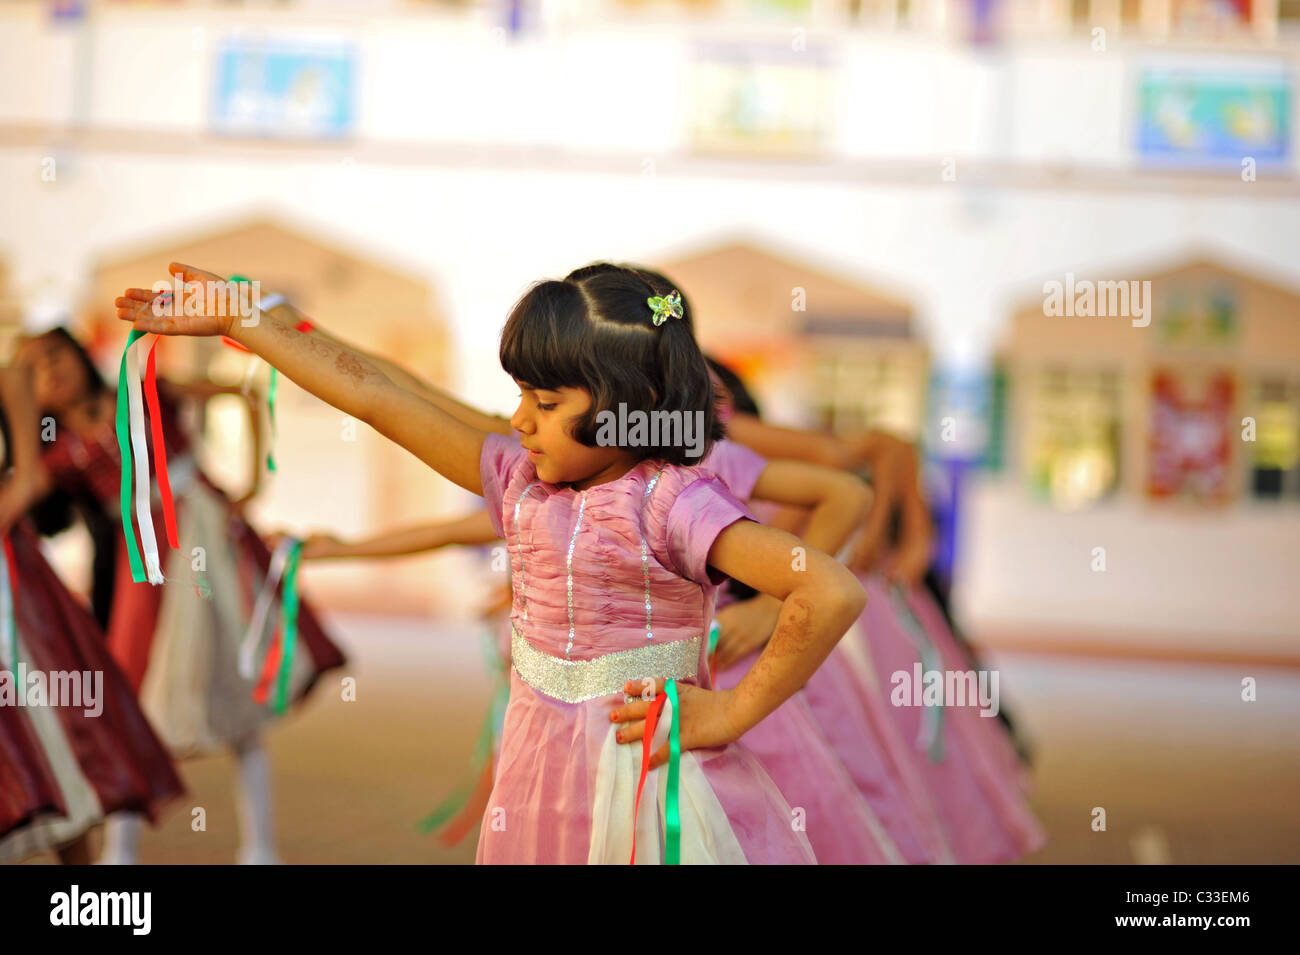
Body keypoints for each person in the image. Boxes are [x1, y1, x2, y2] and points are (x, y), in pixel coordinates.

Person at [117, 261, 868, 864]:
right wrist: (243, 321)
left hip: (643, 784)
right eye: (520, 396)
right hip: (538, 768)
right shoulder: (518, 476)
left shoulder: (673, 502)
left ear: (627, 404)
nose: (518, 419)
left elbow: (827, 587)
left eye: (543, 400)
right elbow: (375, 393)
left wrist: (734, 710)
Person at [11, 327, 346, 864]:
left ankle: (259, 847)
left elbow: (243, 393)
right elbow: (23, 497)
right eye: (32, 371)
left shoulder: (141, 389)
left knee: (241, 686)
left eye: (54, 355)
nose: (50, 372)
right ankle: (119, 853)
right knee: (130, 693)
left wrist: (254, 484)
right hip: (145, 569)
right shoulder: (58, 455)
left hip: (209, 544)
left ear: (77, 354)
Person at [0, 362, 183, 864]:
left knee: (49, 725)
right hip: (123, 552)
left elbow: (30, 477)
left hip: (162, 544)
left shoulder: (21, 379)